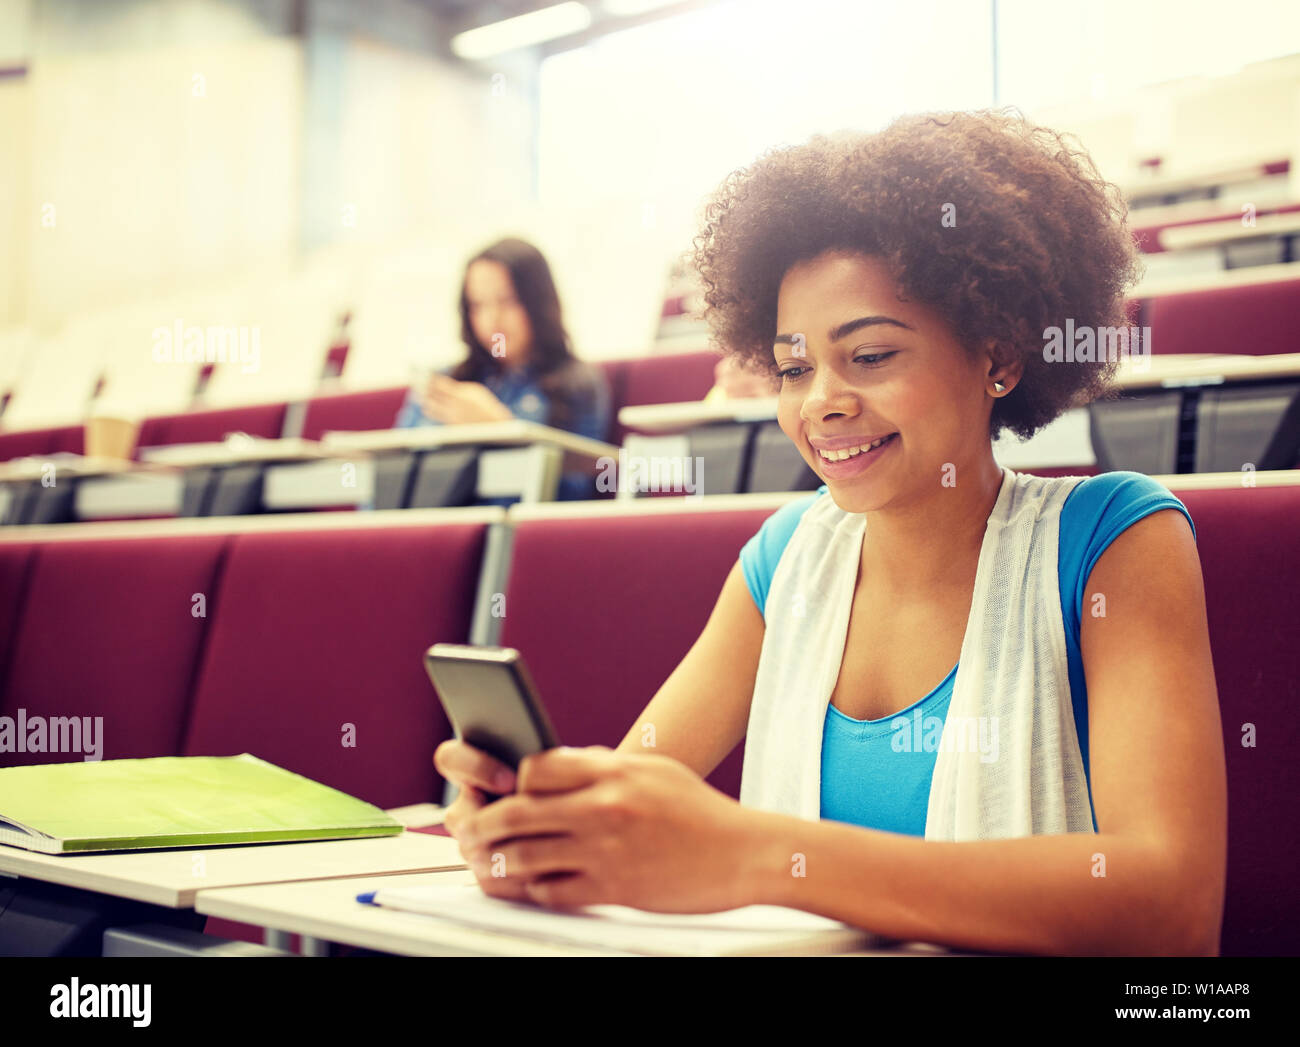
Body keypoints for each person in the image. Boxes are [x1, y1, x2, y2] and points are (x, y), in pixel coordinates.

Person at [433, 111, 1227, 955]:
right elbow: (636, 790)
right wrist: (537, 827)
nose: (820, 403)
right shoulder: (784, 562)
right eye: (795, 367)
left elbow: (1168, 907)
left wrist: (766, 857)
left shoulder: (1115, 540)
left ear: (999, 355)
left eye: (872, 356)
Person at [395, 237, 610, 502]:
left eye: (507, 301)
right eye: (478, 305)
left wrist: (501, 429)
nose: (492, 320)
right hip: (433, 535)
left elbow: (575, 493)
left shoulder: (579, 383)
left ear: (537, 301)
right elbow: (391, 477)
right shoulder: (445, 383)